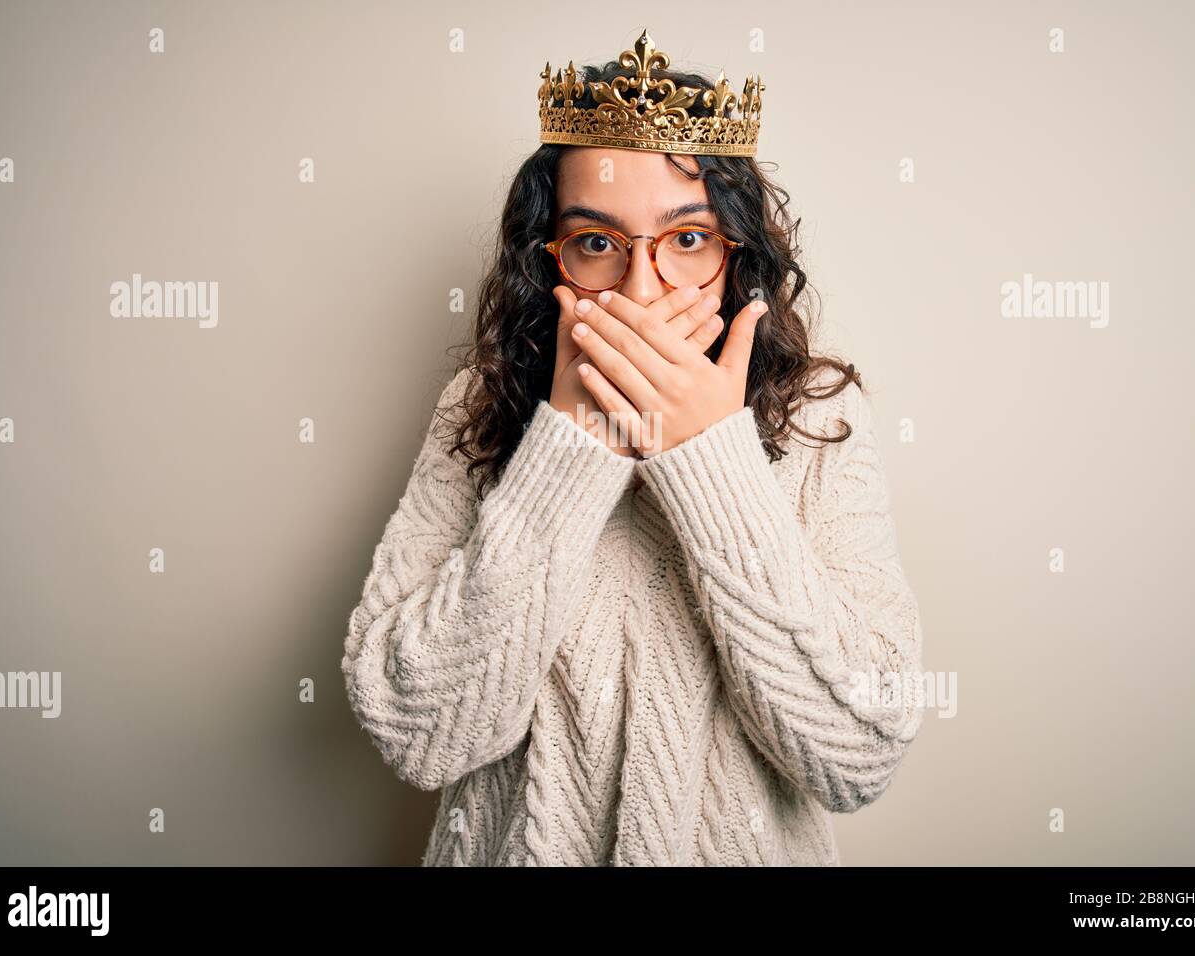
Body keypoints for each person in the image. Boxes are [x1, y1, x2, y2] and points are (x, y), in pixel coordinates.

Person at [341, 28, 924, 866]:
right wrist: (571, 447)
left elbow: (859, 753)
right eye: (597, 243)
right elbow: (417, 733)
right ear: (552, 261)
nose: (643, 291)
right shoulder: (477, 405)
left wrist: (711, 457)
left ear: (736, 259)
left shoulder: (818, 420)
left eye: (687, 240)